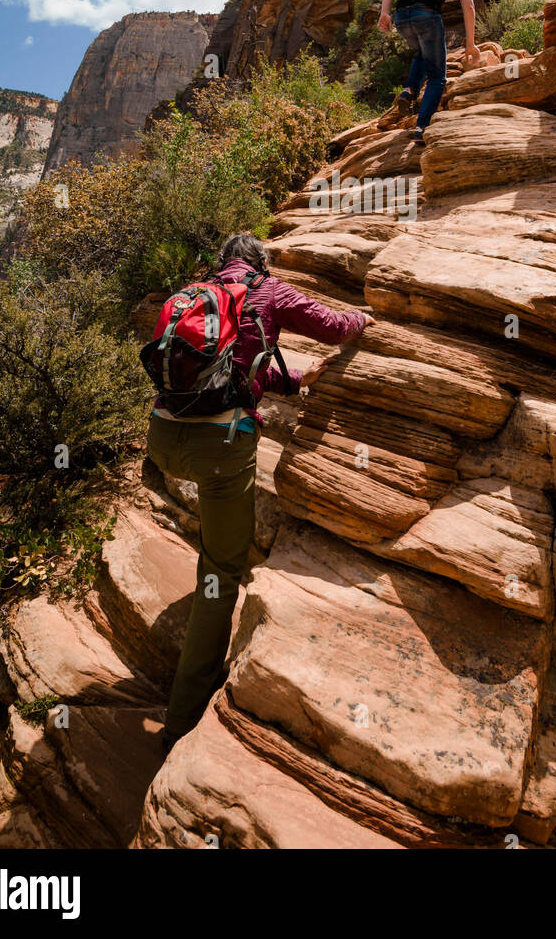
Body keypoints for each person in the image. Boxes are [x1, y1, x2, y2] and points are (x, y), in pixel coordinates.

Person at [146, 232, 374, 755]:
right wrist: (365, 320)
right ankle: (181, 721)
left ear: (221, 263)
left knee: (211, 466)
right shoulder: (269, 292)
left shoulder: (194, 292)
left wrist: (291, 380)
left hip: (162, 438)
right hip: (219, 449)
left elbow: (227, 365)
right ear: (261, 264)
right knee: (221, 573)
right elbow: (336, 327)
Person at [377, 0, 481, 145]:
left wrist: (384, 13)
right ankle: (422, 128)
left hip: (402, 17)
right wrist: (470, 44)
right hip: (426, 15)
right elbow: (468, 5)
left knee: (423, 54)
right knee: (436, 76)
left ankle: (409, 90)